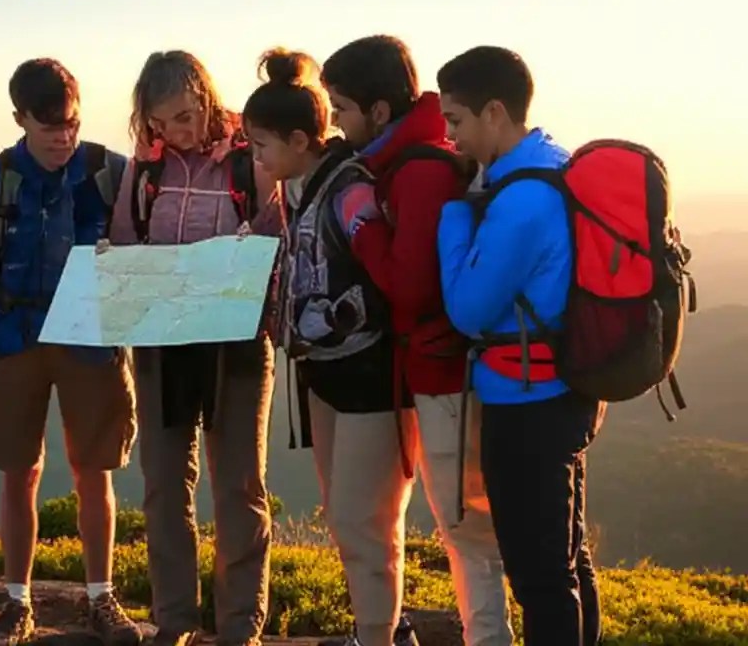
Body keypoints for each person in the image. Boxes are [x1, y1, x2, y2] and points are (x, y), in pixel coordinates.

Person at [319, 36, 512, 646]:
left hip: (443, 376)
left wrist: (361, 224)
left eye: (342, 108)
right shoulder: (404, 163)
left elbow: (413, 287)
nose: (335, 122)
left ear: (378, 112)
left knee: (467, 531)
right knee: (460, 528)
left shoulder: (421, 171)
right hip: (428, 374)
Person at [0, 57, 142, 646]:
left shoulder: (109, 170)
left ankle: (101, 598)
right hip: (17, 339)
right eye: (50, 126)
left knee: (94, 472)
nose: (64, 137)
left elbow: (142, 246)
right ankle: (17, 602)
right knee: (19, 473)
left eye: (72, 124)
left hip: (93, 341)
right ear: (20, 119)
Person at [106, 50, 280, 646]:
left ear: (206, 97)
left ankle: (239, 629)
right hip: (162, 345)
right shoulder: (147, 169)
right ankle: (174, 621)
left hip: (235, 346)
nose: (178, 130)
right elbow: (126, 241)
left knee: (238, 489)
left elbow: (278, 237)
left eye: (186, 114)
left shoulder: (248, 158)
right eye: (164, 122)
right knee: (162, 489)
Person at [436, 45, 606, 646]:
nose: (450, 136)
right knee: (566, 559)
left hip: (526, 399)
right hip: (569, 385)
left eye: (456, 120)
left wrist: (454, 216)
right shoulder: (555, 166)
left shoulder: (522, 200)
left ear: (495, 113)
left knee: (537, 575)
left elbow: (469, 309)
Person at [240, 47, 397, 646]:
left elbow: (383, 266)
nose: (255, 157)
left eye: (261, 146)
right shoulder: (307, 184)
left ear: (301, 140)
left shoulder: (349, 189)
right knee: (346, 516)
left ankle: (381, 633)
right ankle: (375, 628)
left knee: (364, 519)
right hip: (325, 371)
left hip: (365, 372)